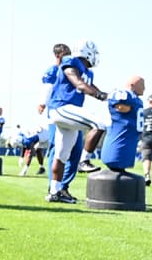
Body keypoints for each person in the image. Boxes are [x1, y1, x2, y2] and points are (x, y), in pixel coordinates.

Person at [43, 40, 108, 203]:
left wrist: (105, 94)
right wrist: (101, 96)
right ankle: (83, 160)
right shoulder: (70, 61)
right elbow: (79, 84)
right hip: (62, 107)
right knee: (99, 124)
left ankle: (55, 191)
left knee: (61, 154)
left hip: (66, 112)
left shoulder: (87, 71)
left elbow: (89, 85)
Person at [100, 76, 145, 172]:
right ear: (132, 85)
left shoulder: (136, 100)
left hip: (130, 138)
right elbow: (119, 106)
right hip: (119, 137)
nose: (144, 88)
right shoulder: (124, 94)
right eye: (142, 85)